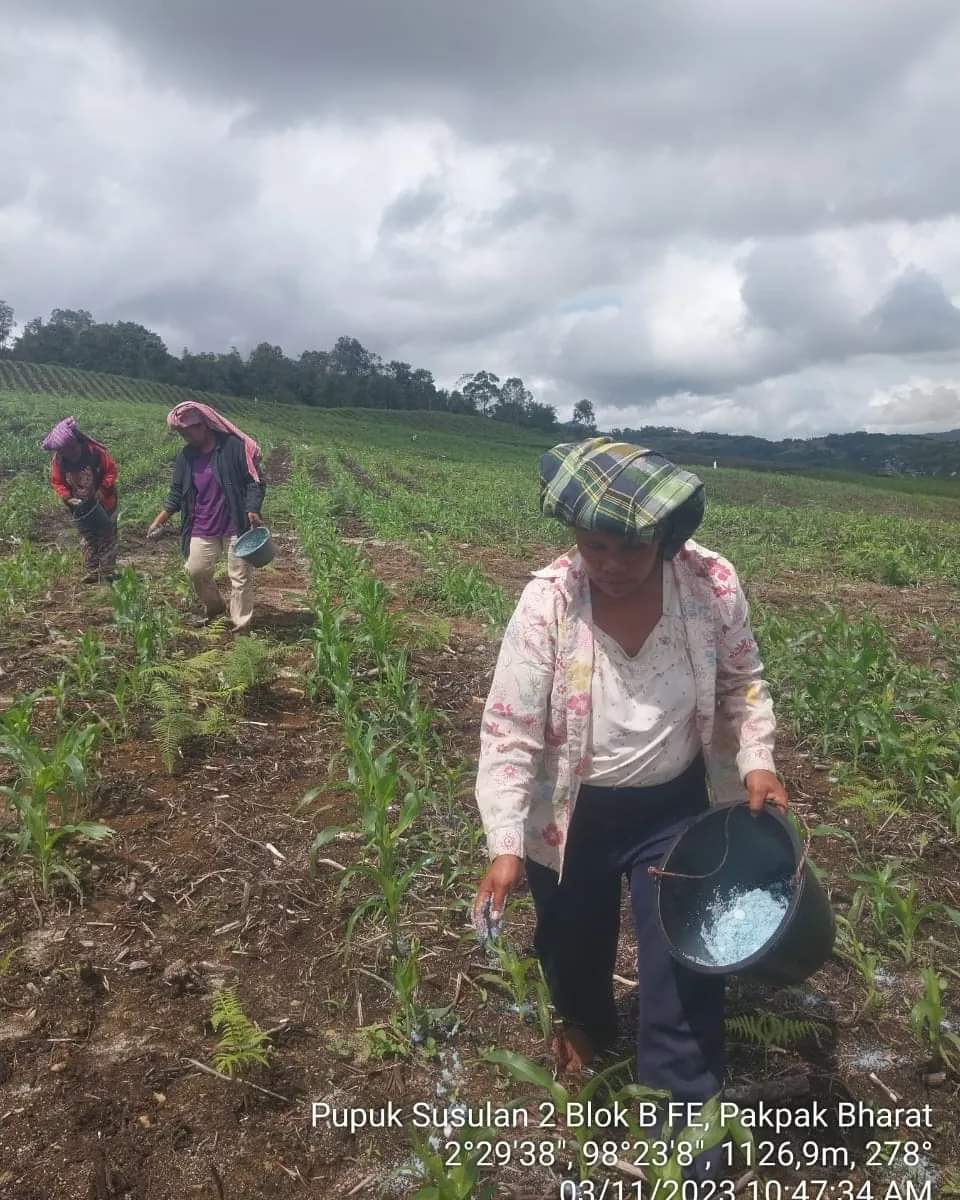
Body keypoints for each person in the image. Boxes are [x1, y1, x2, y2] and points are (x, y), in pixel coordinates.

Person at [473, 437, 786, 1124]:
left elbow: (742, 680)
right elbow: (511, 728)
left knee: (683, 961)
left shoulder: (710, 585)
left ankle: (685, 1120)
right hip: (571, 811)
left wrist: (755, 758)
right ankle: (586, 1024)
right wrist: (504, 842)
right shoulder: (549, 602)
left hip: (673, 806)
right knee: (571, 938)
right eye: (594, 547)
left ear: (666, 539)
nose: (611, 566)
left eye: (630, 549)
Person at [147, 403, 266, 632]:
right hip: (202, 523)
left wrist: (252, 509)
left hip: (236, 524)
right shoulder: (187, 456)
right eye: (181, 434)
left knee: (240, 576)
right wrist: (160, 519)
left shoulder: (232, 447)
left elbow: (255, 481)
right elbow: (176, 492)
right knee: (196, 570)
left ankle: (241, 625)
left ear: (203, 426)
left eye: (187, 432)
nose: (185, 438)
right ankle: (215, 608)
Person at [41, 417, 119, 583]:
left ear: (76, 443)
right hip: (80, 506)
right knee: (88, 537)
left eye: (69, 450)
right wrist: (67, 498)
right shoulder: (59, 460)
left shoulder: (95, 452)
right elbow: (57, 481)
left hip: (105, 502)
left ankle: (107, 573)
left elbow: (111, 471)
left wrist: (102, 489)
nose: (67, 454)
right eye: (62, 451)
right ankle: (92, 571)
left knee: (107, 534)